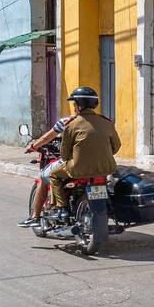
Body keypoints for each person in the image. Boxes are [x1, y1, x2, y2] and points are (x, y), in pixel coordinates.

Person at [44, 86, 121, 223]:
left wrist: (72, 158)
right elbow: (116, 146)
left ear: (79, 105)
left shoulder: (71, 125)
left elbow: (64, 153)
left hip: (78, 170)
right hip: (106, 168)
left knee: (53, 174)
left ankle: (62, 208)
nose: (74, 108)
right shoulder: (107, 122)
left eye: (74, 104)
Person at [18, 112, 72, 228]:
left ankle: (36, 217)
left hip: (74, 164)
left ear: (77, 106)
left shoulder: (68, 121)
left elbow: (47, 137)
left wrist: (33, 147)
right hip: (102, 165)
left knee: (45, 176)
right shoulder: (103, 121)